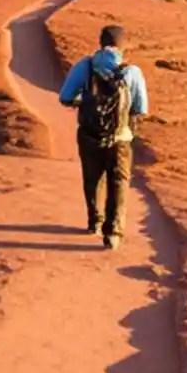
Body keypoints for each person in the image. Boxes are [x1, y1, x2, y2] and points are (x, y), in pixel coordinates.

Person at [58, 24, 149, 251]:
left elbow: (65, 97)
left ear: (100, 43)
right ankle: (113, 233)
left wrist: (86, 103)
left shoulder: (85, 66)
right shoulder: (132, 72)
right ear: (122, 46)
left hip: (89, 135)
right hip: (120, 137)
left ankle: (95, 222)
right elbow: (141, 108)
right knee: (118, 181)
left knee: (92, 178)